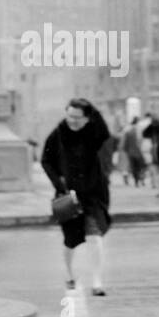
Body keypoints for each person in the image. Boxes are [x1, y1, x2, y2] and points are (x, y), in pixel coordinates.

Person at [41, 98, 113, 296]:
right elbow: (46, 160)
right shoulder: (57, 134)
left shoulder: (93, 132)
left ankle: (97, 282)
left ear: (87, 118)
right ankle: (69, 274)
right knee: (70, 240)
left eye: (77, 117)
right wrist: (59, 182)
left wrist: (91, 108)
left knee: (94, 233)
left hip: (92, 193)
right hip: (68, 196)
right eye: (69, 115)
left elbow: (105, 131)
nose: (72, 120)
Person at [120, 116, 146, 187]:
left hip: (131, 152)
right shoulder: (140, 130)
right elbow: (142, 142)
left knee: (134, 167)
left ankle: (136, 181)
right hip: (139, 152)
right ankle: (142, 179)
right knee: (141, 167)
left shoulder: (128, 131)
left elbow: (125, 143)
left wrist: (125, 150)